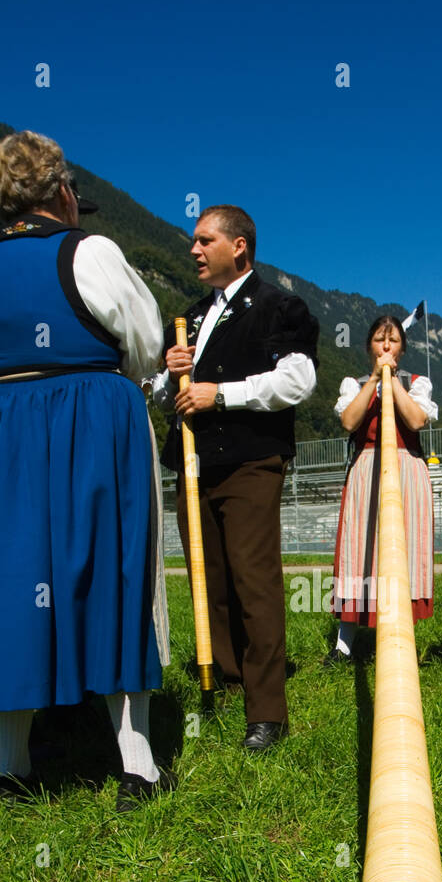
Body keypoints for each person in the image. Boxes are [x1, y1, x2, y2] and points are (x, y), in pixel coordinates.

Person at [0, 131, 170, 807]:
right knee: (116, 573)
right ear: (62, 192)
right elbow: (144, 348)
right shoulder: (93, 251)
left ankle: (15, 765)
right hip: (93, 418)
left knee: (11, 583)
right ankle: (136, 763)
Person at [152, 206, 319, 750]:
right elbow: (166, 395)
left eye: (204, 241)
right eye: (193, 243)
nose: (194, 251)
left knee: (254, 580)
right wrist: (170, 376)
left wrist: (221, 393)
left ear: (239, 246)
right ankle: (226, 679)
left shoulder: (280, 307)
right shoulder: (191, 317)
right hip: (195, 463)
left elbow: (297, 381)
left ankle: (266, 710)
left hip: (249, 461)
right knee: (212, 578)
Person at [326, 315, 437, 661]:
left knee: (407, 549)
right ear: (368, 347)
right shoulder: (353, 384)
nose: (386, 346)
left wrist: (393, 383)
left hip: (406, 469)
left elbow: (416, 420)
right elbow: (349, 421)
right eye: (379, 340)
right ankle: (345, 645)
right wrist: (375, 378)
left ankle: (401, 639)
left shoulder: (418, 383)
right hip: (367, 469)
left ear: (402, 349)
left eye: (393, 341)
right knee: (359, 550)